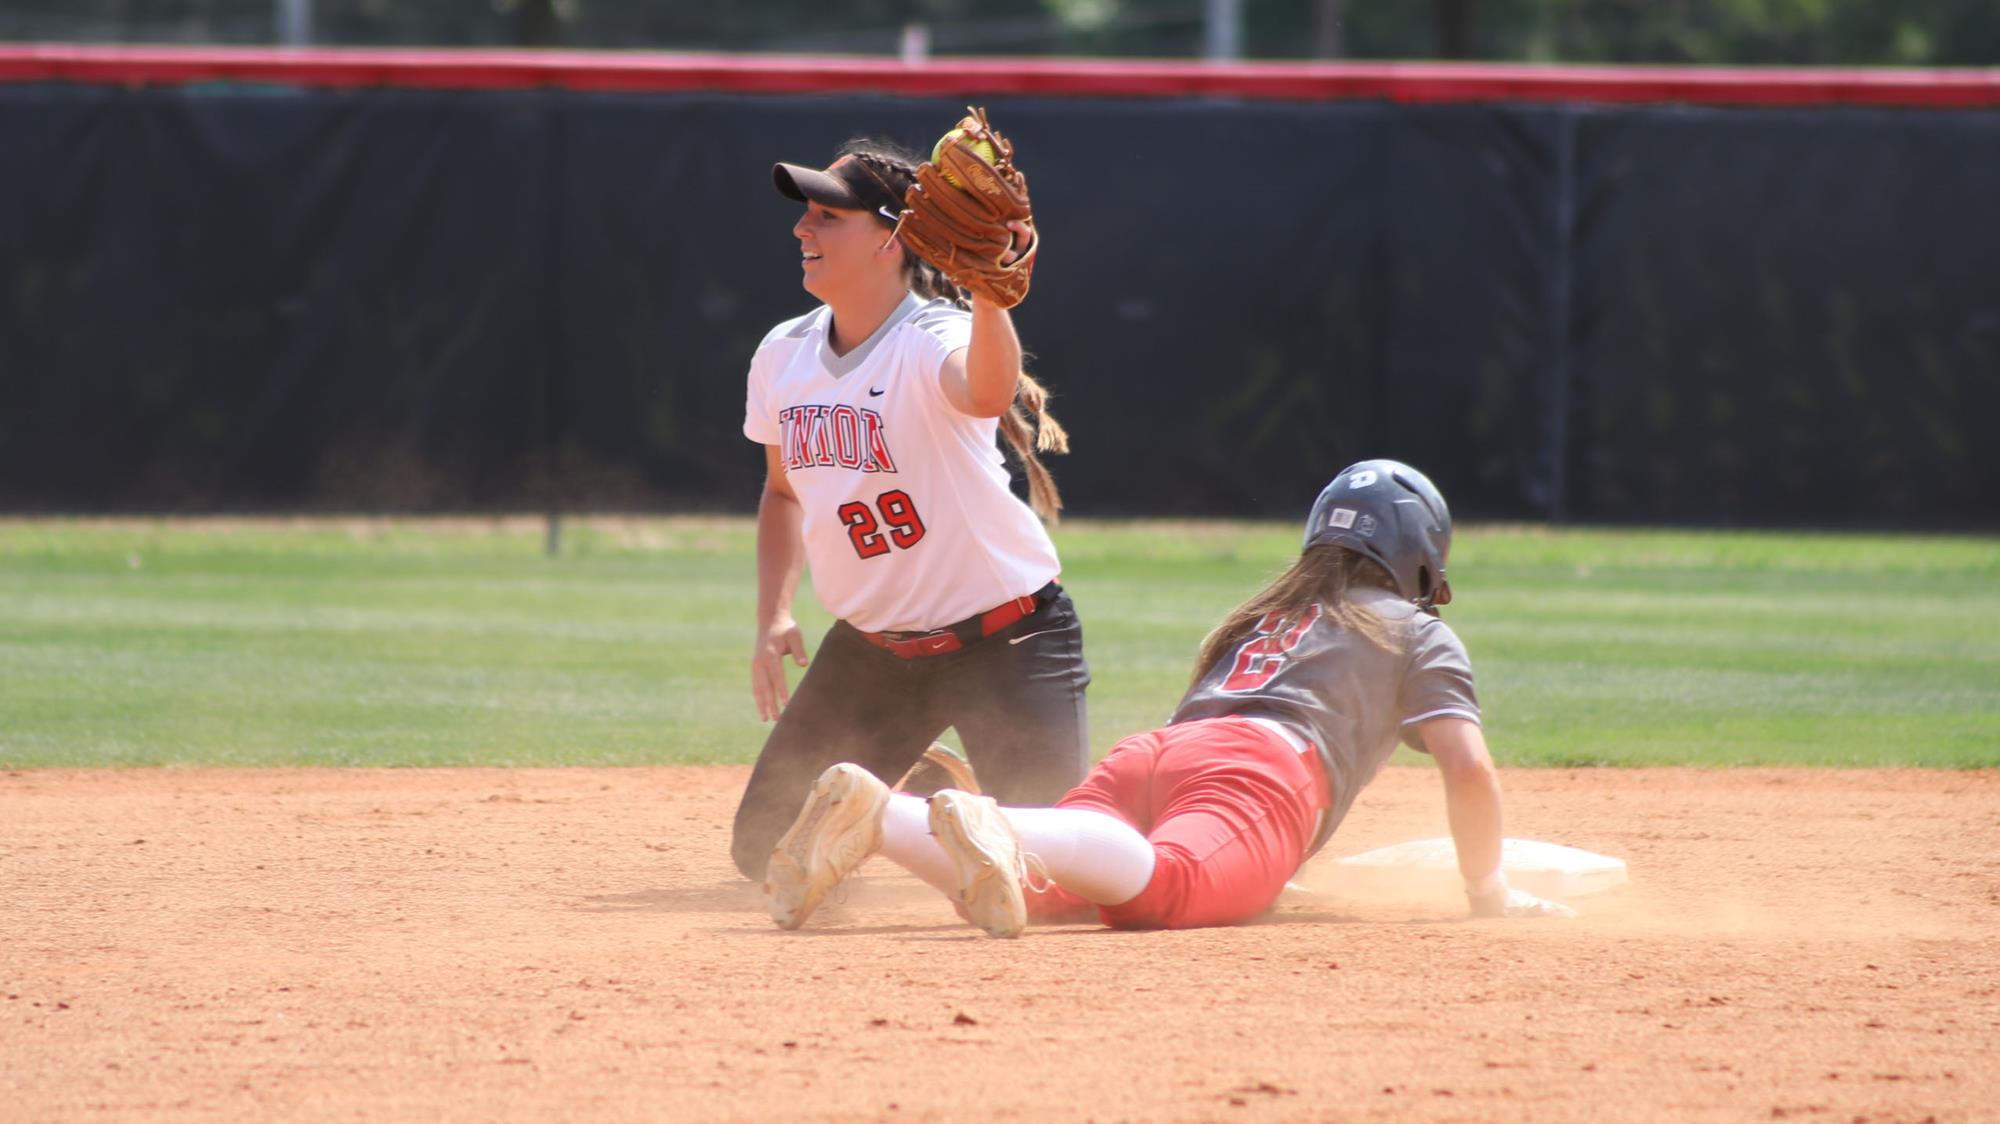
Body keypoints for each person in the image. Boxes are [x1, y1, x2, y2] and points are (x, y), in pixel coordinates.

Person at [762, 459, 1577, 935]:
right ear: (1422, 561)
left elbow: (1197, 739)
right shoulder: (1411, 628)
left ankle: (880, 815)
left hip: (1160, 753)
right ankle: (991, 819)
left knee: (1043, 891)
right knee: (1169, 886)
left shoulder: (1261, 615)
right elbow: (1467, 770)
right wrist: (1488, 894)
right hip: (1260, 775)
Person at [729, 136, 1090, 881]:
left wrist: (990, 291)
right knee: (761, 850)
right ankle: (935, 785)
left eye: (828, 216)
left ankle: (925, 805)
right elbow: (783, 490)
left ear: (892, 238)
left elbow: (986, 392)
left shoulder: (934, 337)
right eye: (805, 214)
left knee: (1050, 872)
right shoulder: (782, 355)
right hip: (875, 654)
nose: (802, 229)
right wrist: (773, 614)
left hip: (1008, 643)